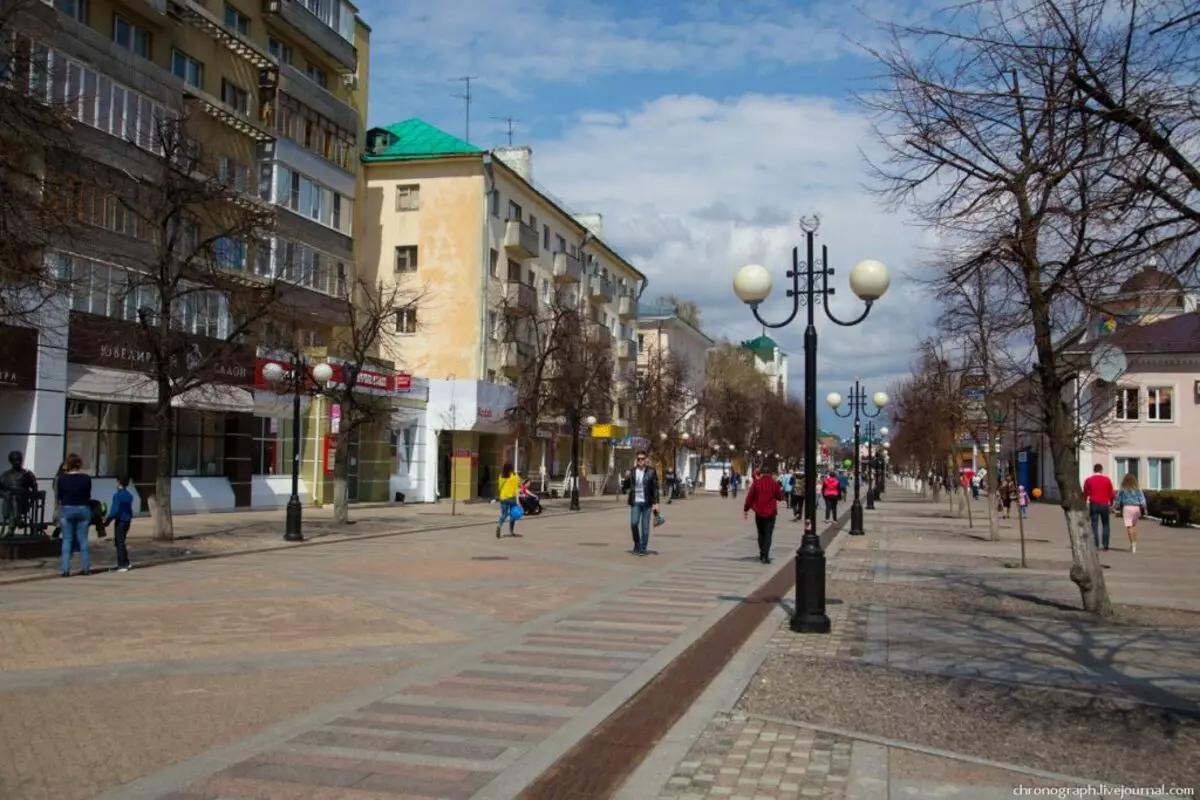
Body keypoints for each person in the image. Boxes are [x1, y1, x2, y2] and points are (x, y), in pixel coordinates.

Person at [55, 453, 93, 577]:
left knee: (67, 540)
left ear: (67, 465)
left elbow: (60, 496)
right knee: (83, 540)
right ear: (79, 465)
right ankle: (86, 567)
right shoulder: (86, 478)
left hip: (67, 509)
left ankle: (65, 569)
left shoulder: (62, 479)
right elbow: (88, 494)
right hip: (83, 508)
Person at [621, 451, 659, 555]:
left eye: (642, 459)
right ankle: (637, 543)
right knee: (634, 523)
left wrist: (656, 503)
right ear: (636, 460)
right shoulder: (632, 471)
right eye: (638, 459)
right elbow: (625, 487)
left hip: (647, 502)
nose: (640, 461)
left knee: (645, 527)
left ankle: (643, 548)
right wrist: (627, 477)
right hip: (635, 501)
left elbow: (655, 488)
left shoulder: (651, 471)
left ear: (645, 459)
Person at [743, 466, 784, 564]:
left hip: (759, 512)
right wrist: (781, 491)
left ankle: (762, 553)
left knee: (761, 533)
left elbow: (749, 497)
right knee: (768, 535)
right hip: (770, 513)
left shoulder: (756, 483)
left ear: (761, 473)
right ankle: (765, 555)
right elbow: (780, 497)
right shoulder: (774, 483)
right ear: (770, 473)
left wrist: (746, 509)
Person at [104, 475, 135, 572]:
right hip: (127, 520)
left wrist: (108, 520)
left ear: (119, 483)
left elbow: (115, 510)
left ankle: (122, 565)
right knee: (121, 541)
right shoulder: (129, 495)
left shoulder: (117, 496)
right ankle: (126, 562)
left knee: (119, 542)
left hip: (120, 520)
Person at [1082, 463, 1115, 551]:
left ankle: (1096, 544)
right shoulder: (1107, 480)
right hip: (1104, 504)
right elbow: (1111, 494)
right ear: (1101, 470)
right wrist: (1111, 504)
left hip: (1094, 504)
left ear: (1094, 470)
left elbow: (1085, 493)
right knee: (1105, 524)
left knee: (1094, 524)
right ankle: (1105, 544)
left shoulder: (1089, 480)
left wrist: (1084, 503)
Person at [1116, 472, 1147, 554]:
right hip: (1136, 507)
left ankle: (1131, 544)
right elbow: (1142, 499)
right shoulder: (1137, 488)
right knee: (1134, 526)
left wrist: (1116, 506)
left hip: (1127, 507)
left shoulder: (1123, 489)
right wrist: (1145, 508)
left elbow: (1118, 499)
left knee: (1129, 526)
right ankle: (1134, 543)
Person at [495, 462, 521, 539]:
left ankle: (499, 525)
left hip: (503, 498)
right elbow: (516, 489)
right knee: (513, 514)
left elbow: (499, 488)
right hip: (512, 498)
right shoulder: (515, 476)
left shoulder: (501, 476)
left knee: (504, 514)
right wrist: (518, 501)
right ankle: (511, 531)